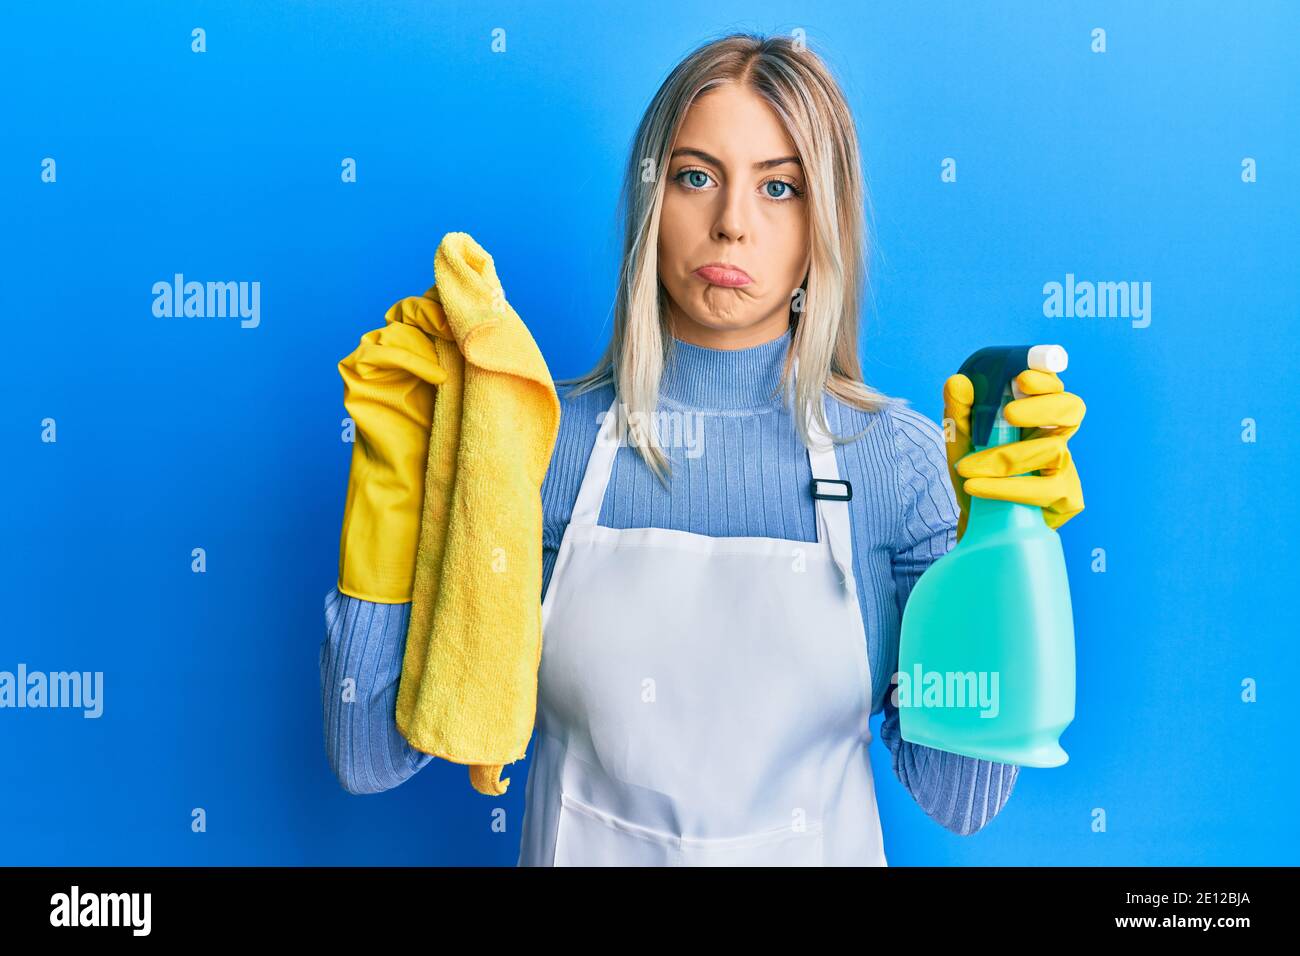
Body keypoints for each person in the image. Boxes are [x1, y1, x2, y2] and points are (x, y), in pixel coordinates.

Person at [320, 33, 1085, 865]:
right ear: (652, 204)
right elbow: (369, 758)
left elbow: (960, 800)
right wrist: (394, 476)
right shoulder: (542, 446)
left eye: (780, 187)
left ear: (823, 220)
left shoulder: (892, 462)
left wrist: (993, 566)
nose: (731, 225)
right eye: (695, 177)